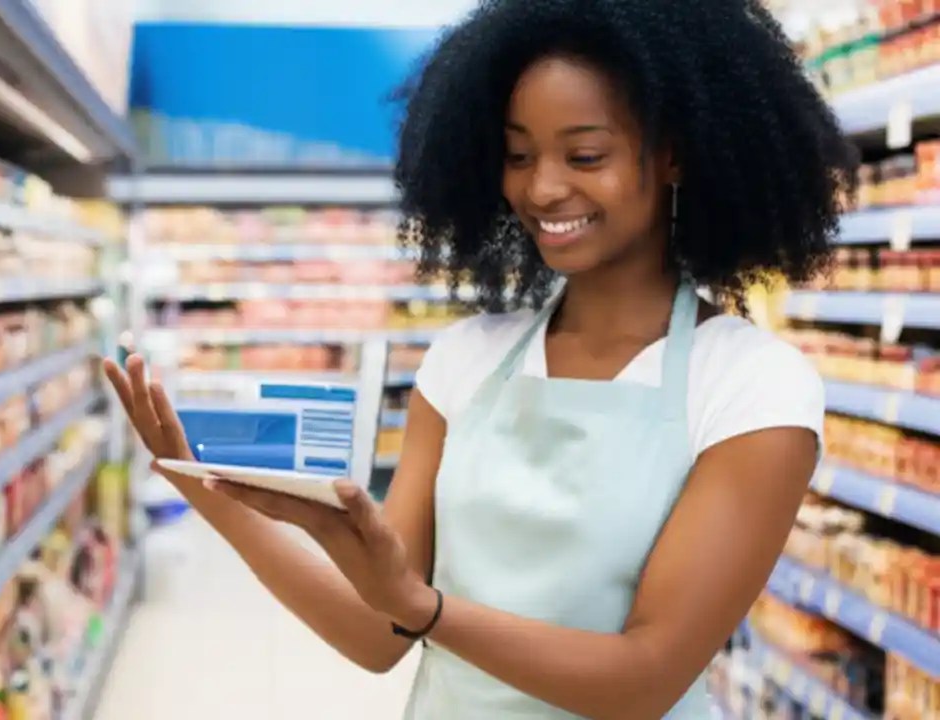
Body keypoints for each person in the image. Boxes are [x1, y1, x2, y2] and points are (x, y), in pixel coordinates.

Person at [105, 0, 857, 717]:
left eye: (585, 153)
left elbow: (645, 680)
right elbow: (377, 635)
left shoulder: (750, 386)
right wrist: (205, 487)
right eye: (518, 154)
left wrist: (422, 606)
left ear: (673, 155)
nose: (543, 186)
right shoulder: (465, 360)